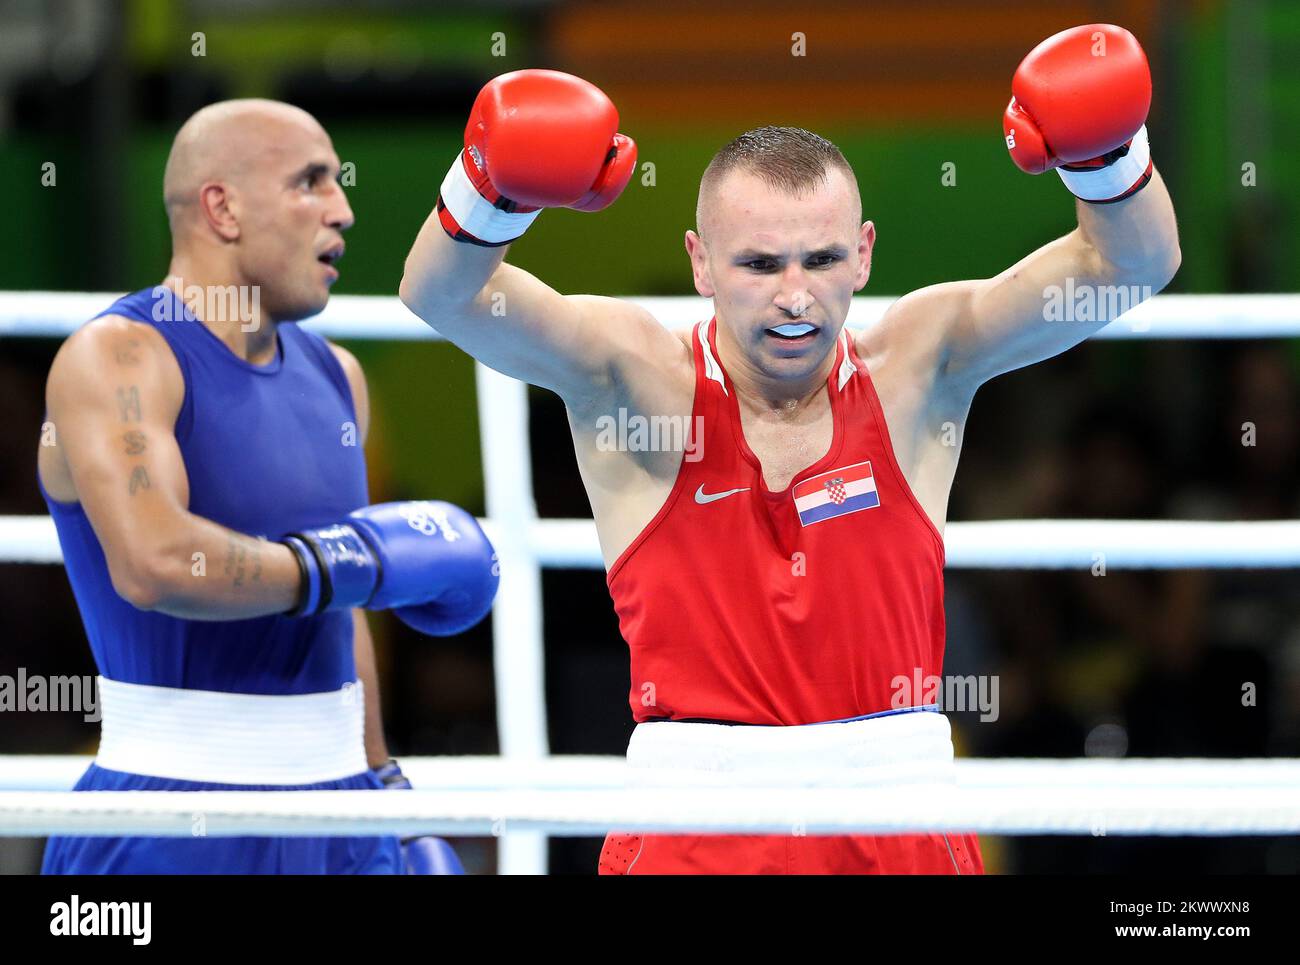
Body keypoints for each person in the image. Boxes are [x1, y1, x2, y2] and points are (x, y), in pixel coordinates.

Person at [399, 23, 1180, 873]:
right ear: (699, 262)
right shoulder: (637, 376)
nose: (795, 296)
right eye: (760, 263)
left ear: (865, 256)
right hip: (698, 822)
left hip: (896, 816)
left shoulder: (919, 366)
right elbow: (443, 295)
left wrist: (1107, 155)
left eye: (821, 258)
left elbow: (1132, 264)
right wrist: (488, 189)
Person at [37, 99, 497, 875]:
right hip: (171, 809)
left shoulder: (337, 377)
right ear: (223, 207)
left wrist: (386, 786)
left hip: (337, 804)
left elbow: (344, 612)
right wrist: (343, 564)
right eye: (310, 182)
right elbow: (155, 562)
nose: (343, 209)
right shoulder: (118, 357)